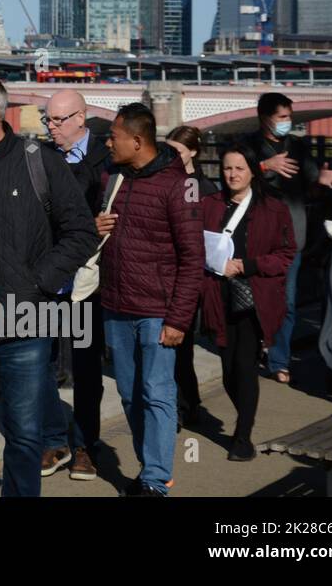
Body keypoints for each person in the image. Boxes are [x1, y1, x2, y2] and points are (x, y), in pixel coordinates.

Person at [0, 74, 97, 497]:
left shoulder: (40, 161)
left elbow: (81, 232)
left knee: (24, 434)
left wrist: (39, 283)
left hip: (26, 316)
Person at [95, 103, 203, 496]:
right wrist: (95, 226)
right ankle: (147, 469)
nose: (108, 142)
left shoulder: (178, 185)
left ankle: (156, 480)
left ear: (137, 141)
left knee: (156, 393)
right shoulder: (113, 178)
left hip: (158, 312)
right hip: (117, 306)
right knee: (128, 394)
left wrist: (178, 319)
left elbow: (193, 258)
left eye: (114, 136)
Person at [199, 144, 296, 461]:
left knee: (245, 365)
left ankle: (243, 436)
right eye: (227, 168)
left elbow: (285, 255)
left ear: (253, 170)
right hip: (218, 295)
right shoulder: (210, 205)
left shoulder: (273, 208)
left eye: (239, 168)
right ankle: (245, 414)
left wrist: (247, 265)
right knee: (228, 370)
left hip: (255, 297)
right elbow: (194, 247)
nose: (232, 174)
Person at [39, 89, 112, 481]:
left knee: (86, 369)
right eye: (47, 119)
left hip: (88, 281)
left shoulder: (107, 159)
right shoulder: (41, 158)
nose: (51, 127)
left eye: (58, 120)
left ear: (81, 118)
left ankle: (85, 445)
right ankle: (54, 441)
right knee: (41, 363)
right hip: (49, 276)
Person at [245, 93, 332, 384]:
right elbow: (231, 179)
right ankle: (253, 349)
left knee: (286, 301)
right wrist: (264, 167)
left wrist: (321, 181)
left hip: (291, 236)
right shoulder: (246, 146)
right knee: (251, 299)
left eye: (289, 117)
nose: (288, 123)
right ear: (265, 117)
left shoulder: (298, 147)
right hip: (254, 234)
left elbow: (313, 181)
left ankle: (279, 360)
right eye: (282, 117)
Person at [164, 124, 219, 430]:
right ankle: (182, 404)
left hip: (192, 272)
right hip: (166, 271)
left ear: (194, 153)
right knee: (171, 347)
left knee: (181, 345)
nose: (171, 157)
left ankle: (187, 404)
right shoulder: (167, 181)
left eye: (178, 151)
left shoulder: (204, 188)